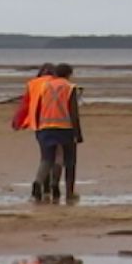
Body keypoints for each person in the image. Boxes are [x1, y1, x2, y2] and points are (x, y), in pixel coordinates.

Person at [31, 64, 83, 202]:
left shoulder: (44, 86)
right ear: (68, 74)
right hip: (65, 127)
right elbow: (73, 112)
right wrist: (78, 132)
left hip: (45, 126)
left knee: (47, 158)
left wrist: (36, 126)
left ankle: (38, 181)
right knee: (68, 161)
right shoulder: (69, 87)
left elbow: (36, 107)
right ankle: (67, 190)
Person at [11, 63, 62, 193]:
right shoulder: (60, 83)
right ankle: (53, 184)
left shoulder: (33, 84)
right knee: (58, 156)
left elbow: (25, 105)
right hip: (60, 123)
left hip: (39, 125)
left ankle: (41, 183)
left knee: (45, 156)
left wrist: (18, 121)